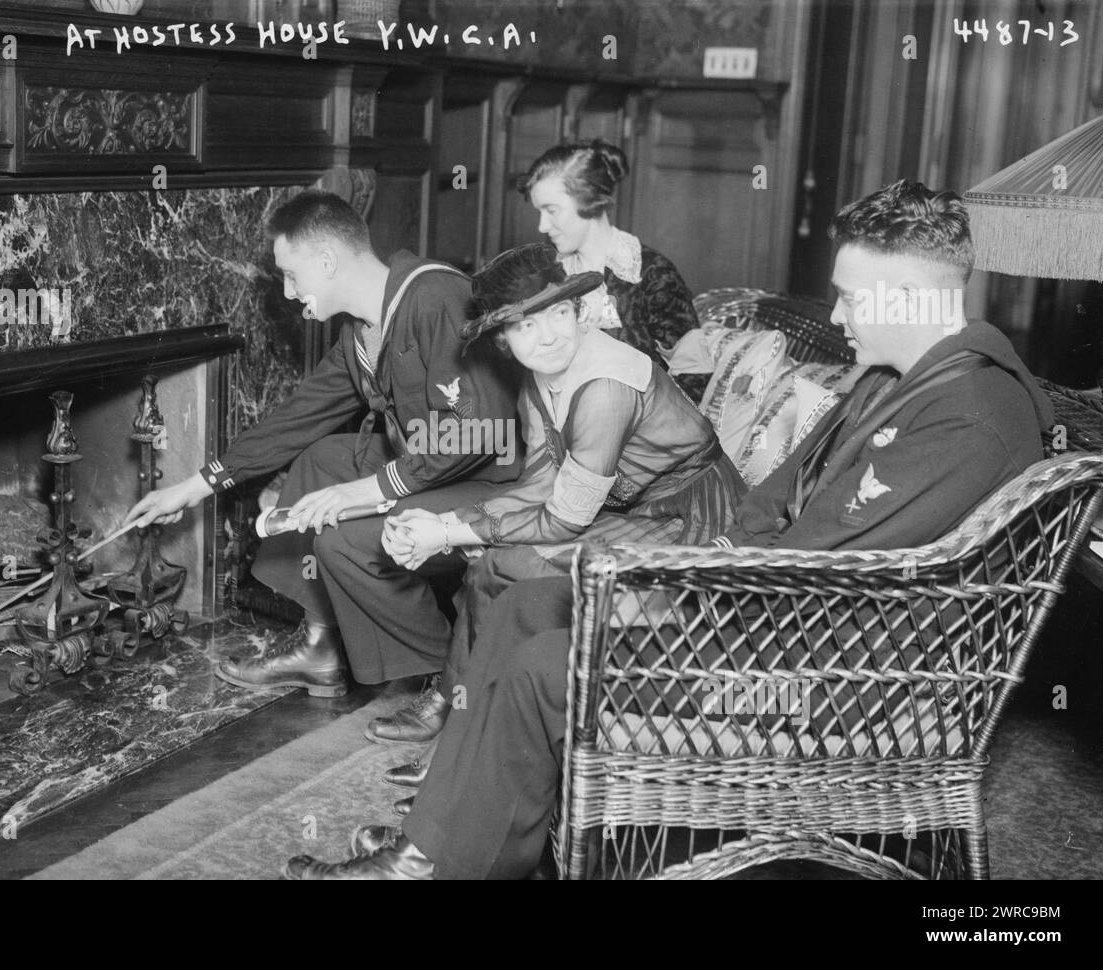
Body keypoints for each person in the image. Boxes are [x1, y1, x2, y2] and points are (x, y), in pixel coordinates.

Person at [284, 178, 1057, 878]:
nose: (840, 314)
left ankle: (428, 869)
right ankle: (448, 836)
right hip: (776, 611)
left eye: (852, 297)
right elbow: (774, 501)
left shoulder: (970, 416)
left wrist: (677, 594)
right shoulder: (898, 379)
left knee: (539, 663)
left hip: (821, 679)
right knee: (525, 605)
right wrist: (713, 559)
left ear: (908, 298)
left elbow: (819, 570)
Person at [124, 191, 521, 708]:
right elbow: (298, 416)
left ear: (328, 261)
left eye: (292, 275)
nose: (289, 293)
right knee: (320, 458)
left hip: (493, 481)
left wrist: (373, 489)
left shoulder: (437, 297)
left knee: (343, 542)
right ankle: (321, 645)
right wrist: (195, 485)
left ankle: (446, 684)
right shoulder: (362, 331)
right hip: (432, 467)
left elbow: (485, 430)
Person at [368, 243, 744, 758]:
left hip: (685, 513)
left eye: (558, 313)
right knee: (487, 569)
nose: (546, 335)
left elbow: (565, 517)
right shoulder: (541, 378)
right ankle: (460, 711)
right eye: (525, 326)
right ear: (502, 338)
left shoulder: (606, 385)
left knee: (522, 572)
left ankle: (489, 744)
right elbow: (542, 483)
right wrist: (442, 521)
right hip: (620, 506)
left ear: (579, 312)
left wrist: (450, 534)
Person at [523, 139, 699, 366]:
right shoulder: (549, 275)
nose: (542, 226)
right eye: (540, 212)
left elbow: (692, 374)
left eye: (552, 211)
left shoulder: (651, 273)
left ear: (588, 200)